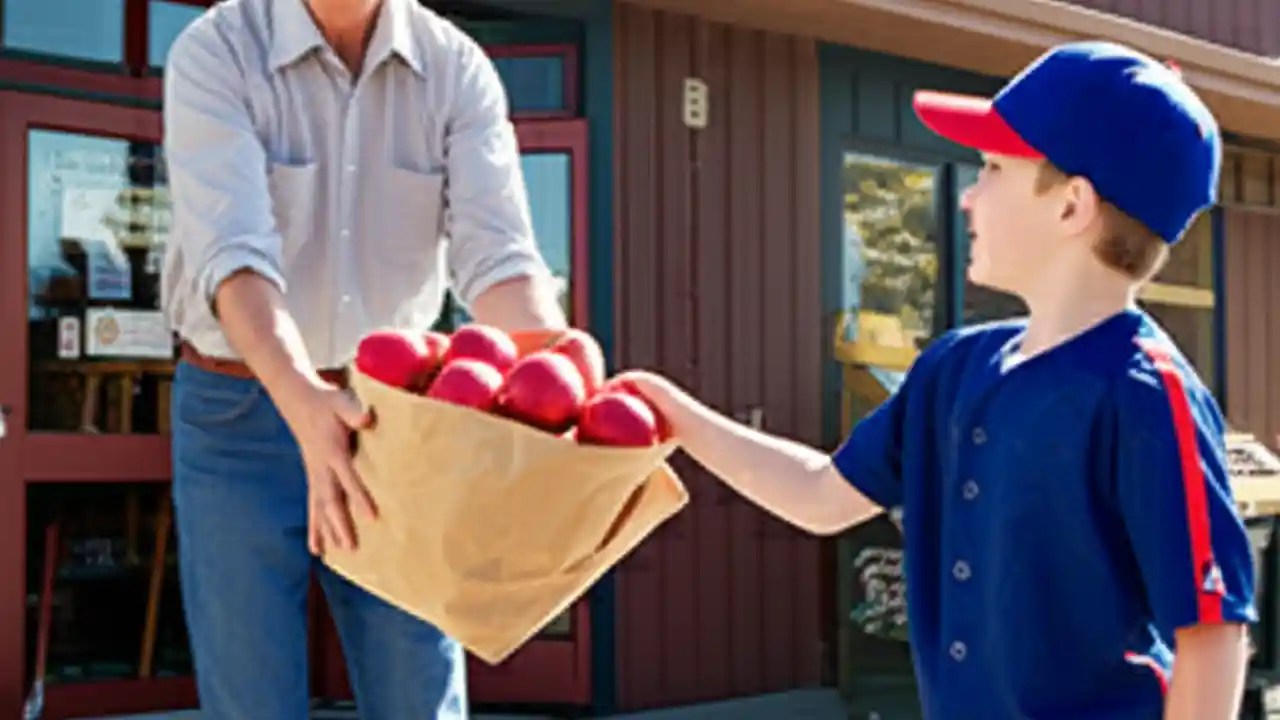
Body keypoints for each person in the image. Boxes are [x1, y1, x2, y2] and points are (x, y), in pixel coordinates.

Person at [618, 41, 1256, 719]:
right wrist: (675, 414)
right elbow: (821, 496)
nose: (968, 197)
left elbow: (1211, 629)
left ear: (1071, 207)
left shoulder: (1148, 395)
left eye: (991, 169)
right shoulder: (953, 369)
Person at [159, 0, 565, 716]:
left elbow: (498, 257)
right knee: (251, 700)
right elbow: (233, 259)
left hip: (394, 420)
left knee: (419, 691)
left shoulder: (455, 68)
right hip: (237, 413)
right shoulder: (217, 48)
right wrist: (304, 402)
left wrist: (563, 391)